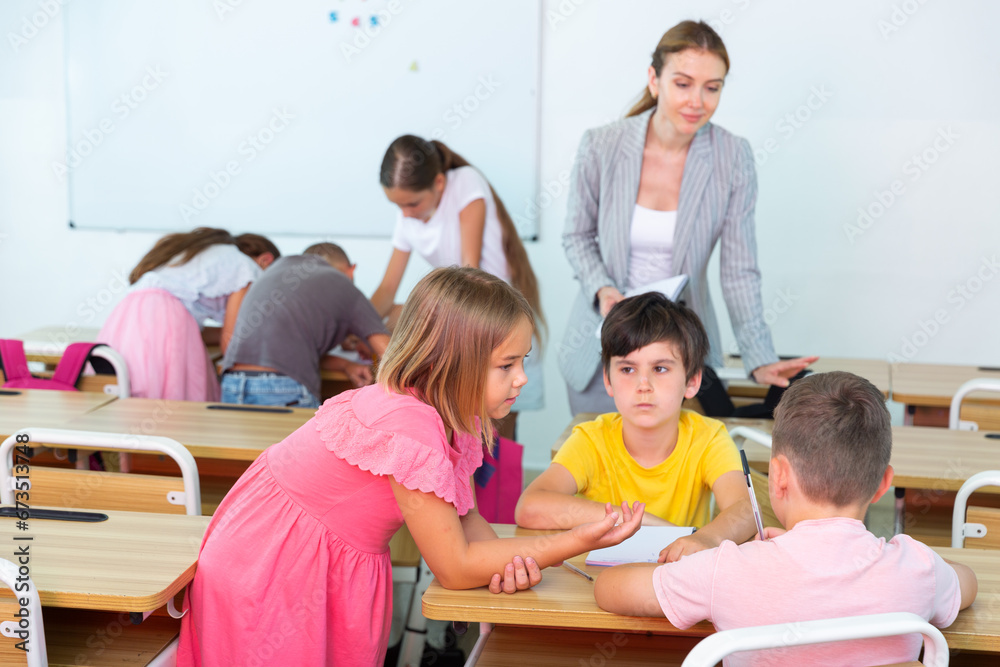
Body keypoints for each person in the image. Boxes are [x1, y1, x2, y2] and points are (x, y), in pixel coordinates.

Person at [178, 267, 644, 666]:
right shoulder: (411, 426)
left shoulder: (451, 417)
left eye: (522, 361)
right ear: (454, 362)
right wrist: (572, 541)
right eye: (507, 365)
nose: (521, 378)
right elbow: (457, 567)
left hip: (302, 558)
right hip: (272, 567)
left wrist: (518, 560)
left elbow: (471, 527)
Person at [593, 372, 977, 666]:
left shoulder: (725, 570)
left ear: (777, 477)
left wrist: (730, 558)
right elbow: (967, 584)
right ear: (883, 484)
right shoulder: (919, 569)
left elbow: (609, 589)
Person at [560, 20, 816, 415]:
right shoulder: (602, 145)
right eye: (683, 84)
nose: (697, 101)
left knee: (675, 472)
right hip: (601, 347)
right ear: (654, 79)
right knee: (598, 470)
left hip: (679, 350)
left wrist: (758, 355)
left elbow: (739, 270)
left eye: (712, 88)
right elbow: (577, 236)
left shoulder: (732, 157)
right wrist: (605, 291)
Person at [516, 292, 754, 562]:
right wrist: (644, 525)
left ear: (692, 381)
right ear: (608, 380)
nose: (643, 385)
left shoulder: (709, 438)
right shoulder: (591, 439)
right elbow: (530, 507)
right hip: (597, 581)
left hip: (676, 580)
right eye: (627, 369)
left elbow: (745, 510)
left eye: (660, 369)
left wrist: (705, 538)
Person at [372, 135, 546, 436]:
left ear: (439, 183)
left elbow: (469, 273)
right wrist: (359, 325)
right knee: (466, 432)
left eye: (412, 203)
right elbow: (387, 289)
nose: (405, 214)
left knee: (498, 428)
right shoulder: (409, 214)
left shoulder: (465, 183)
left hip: (494, 318)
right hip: (467, 320)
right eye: (397, 205)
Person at [98, 227, 265, 401]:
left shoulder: (196, 255)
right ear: (266, 261)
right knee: (176, 398)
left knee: (135, 388)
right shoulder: (247, 267)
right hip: (166, 317)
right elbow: (232, 345)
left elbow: (199, 331)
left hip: (127, 315)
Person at [219, 242, 390, 408]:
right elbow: (391, 354)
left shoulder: (276, 271)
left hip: (232, 382)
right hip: (281, 387)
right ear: (351, 271)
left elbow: (292, 354)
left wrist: (346, 365)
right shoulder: (342, 282)